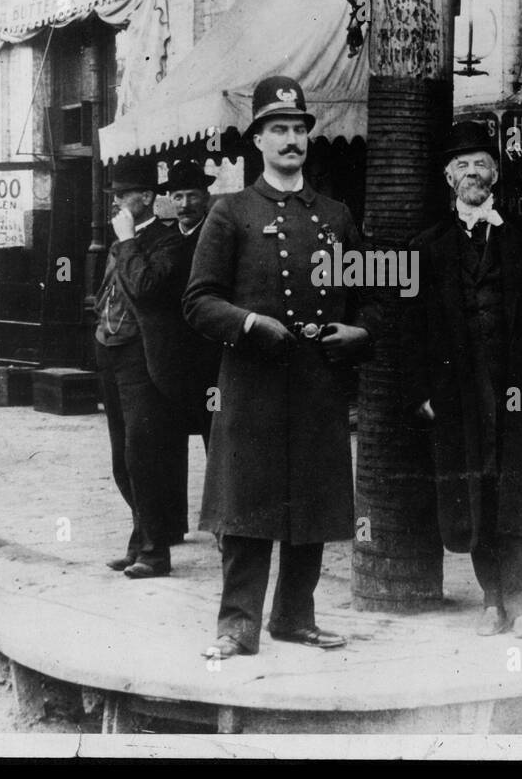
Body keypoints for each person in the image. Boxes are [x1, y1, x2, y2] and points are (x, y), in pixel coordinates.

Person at [183, 75, 379, 660]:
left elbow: (370, 293)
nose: (291, 140)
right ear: (259, 141)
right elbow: (198, 301)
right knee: (246, 507)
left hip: (318, 385)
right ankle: (237, 624)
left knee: (312, 505)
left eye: (298, 129)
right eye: (278, 130)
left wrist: (361, 331)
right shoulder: (231, 213)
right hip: (252, 386)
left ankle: (295, 617)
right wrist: (249, 324)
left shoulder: (337, 215)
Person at [407, 122, 522, 639]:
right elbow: (409, 327)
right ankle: (491, 597)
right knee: (476, 488)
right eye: (461, 165)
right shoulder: (427, 247)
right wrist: (419, 392)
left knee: (521, 487)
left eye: (481, 163)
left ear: (496, 172)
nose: (472, 173)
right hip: (460, 389)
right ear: (447, 177)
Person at [113, 159, 224, 552]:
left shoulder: (213, 233)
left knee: (218, 442)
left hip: (207, 352)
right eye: (177, 195)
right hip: (169, 354)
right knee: (166, 440)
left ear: (206, 197)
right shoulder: (168, 235)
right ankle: (171, 526)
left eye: (193, 195)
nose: (185, 203)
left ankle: (227, 529)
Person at [94, 158, 175, 579]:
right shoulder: (119, 239)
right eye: (114, 197)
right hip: (111, 351)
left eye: (122, 196)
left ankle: (156, 552)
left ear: (146, 197)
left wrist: (127, 240)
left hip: (143, 357)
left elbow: (145, 288)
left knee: (143, 454)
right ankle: (139, 540)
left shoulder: (167, 240)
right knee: (121, 458)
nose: (116, 204)